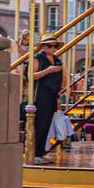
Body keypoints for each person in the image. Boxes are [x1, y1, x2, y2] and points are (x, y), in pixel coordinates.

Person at [30, 35, 65, 164]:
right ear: (43, 47)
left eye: (55, 46)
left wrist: (61, 89)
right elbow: (31, 76)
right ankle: (35, 154)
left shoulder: (57, 60)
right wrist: (47, 71)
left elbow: (62, 76)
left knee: (46, 125)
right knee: (40, 124)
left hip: (52, 95)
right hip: (40, 95)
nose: (53, 48)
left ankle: (40, 153)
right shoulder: (38, 58)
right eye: (50, 46)